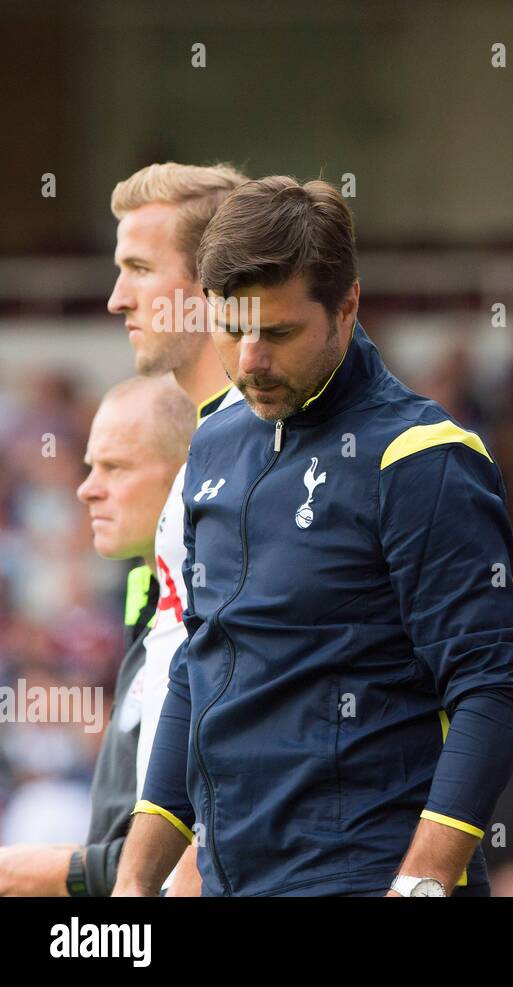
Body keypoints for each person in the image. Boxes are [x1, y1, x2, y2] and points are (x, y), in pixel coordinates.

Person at [113, 176, 513, 897]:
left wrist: (423, 883)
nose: (249, 360)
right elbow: (199, 661)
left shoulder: (421, 456)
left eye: (278, 333)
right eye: (232, 328)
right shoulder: (214, 443)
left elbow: (494, 683)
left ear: (347, 306)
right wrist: (133, 886)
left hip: (367, 877)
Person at [107, 161, 250, 894]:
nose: (115, 298)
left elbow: (251, 685)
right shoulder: (209, 445)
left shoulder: (259, 450)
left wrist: (194, 872)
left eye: (137, 268)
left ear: (207, 287)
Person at [0, 376, 193, 895]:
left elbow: (204, 848)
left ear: (184, 477)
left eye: (116, 467)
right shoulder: (149, 602)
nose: (87, 487)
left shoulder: (211, 621)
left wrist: (48, 874)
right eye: (89, 467)